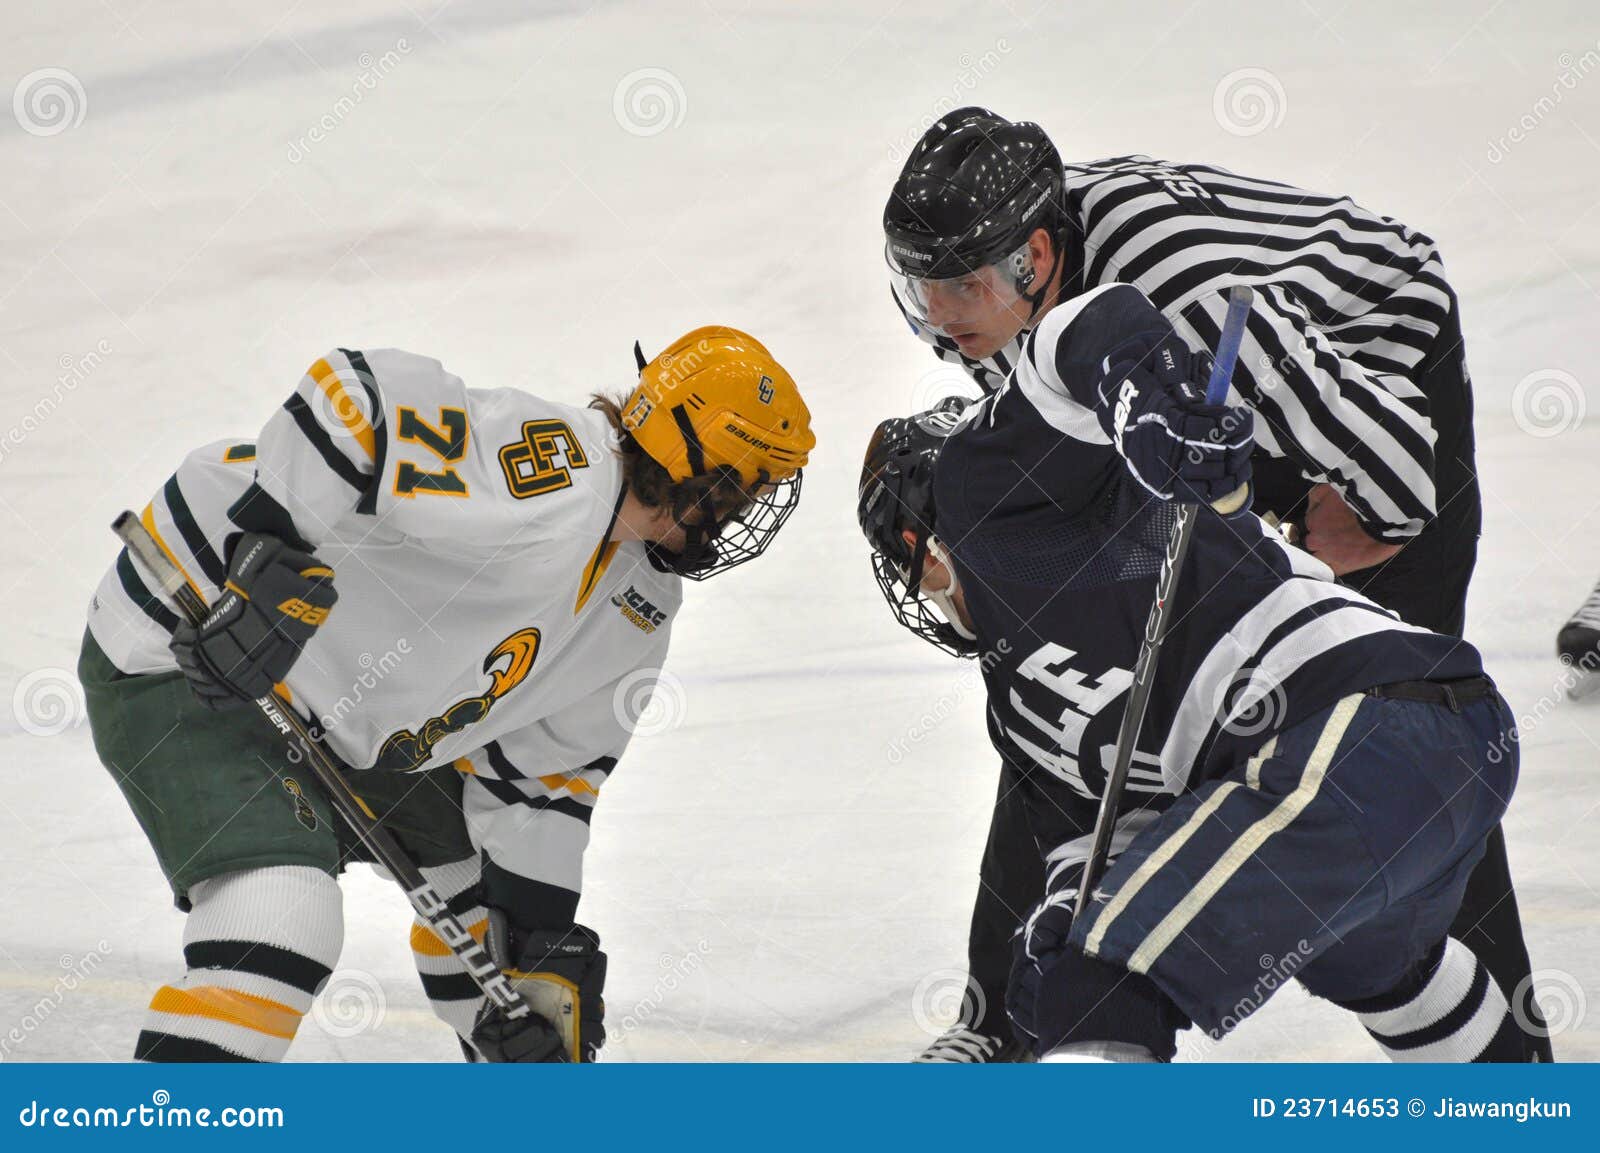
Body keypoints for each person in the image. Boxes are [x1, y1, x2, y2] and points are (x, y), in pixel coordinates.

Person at [881, 106, 1549, 1060]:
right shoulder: (1007, 310)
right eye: (919, 286)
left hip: (1373, 372)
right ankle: (1001, 1024)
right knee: (1075, 701)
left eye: (960, 286)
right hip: (1181, 406)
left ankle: (1513, 1075)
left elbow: (1408, 473)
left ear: (1035, 257)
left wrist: (1353, 513)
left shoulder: (1184, 292)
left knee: (1397, 752)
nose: (938, 319)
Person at [81, 328, 814, 1061]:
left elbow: (542, 785)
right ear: (697, 464)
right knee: (281, 918)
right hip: (194, 635)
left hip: (343, 716)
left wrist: (537, 940)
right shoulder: (559, 467)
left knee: (490, 928)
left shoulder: (643, 606)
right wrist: (266, 557)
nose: (744, 512)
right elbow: (352, 394)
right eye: (745, 485)